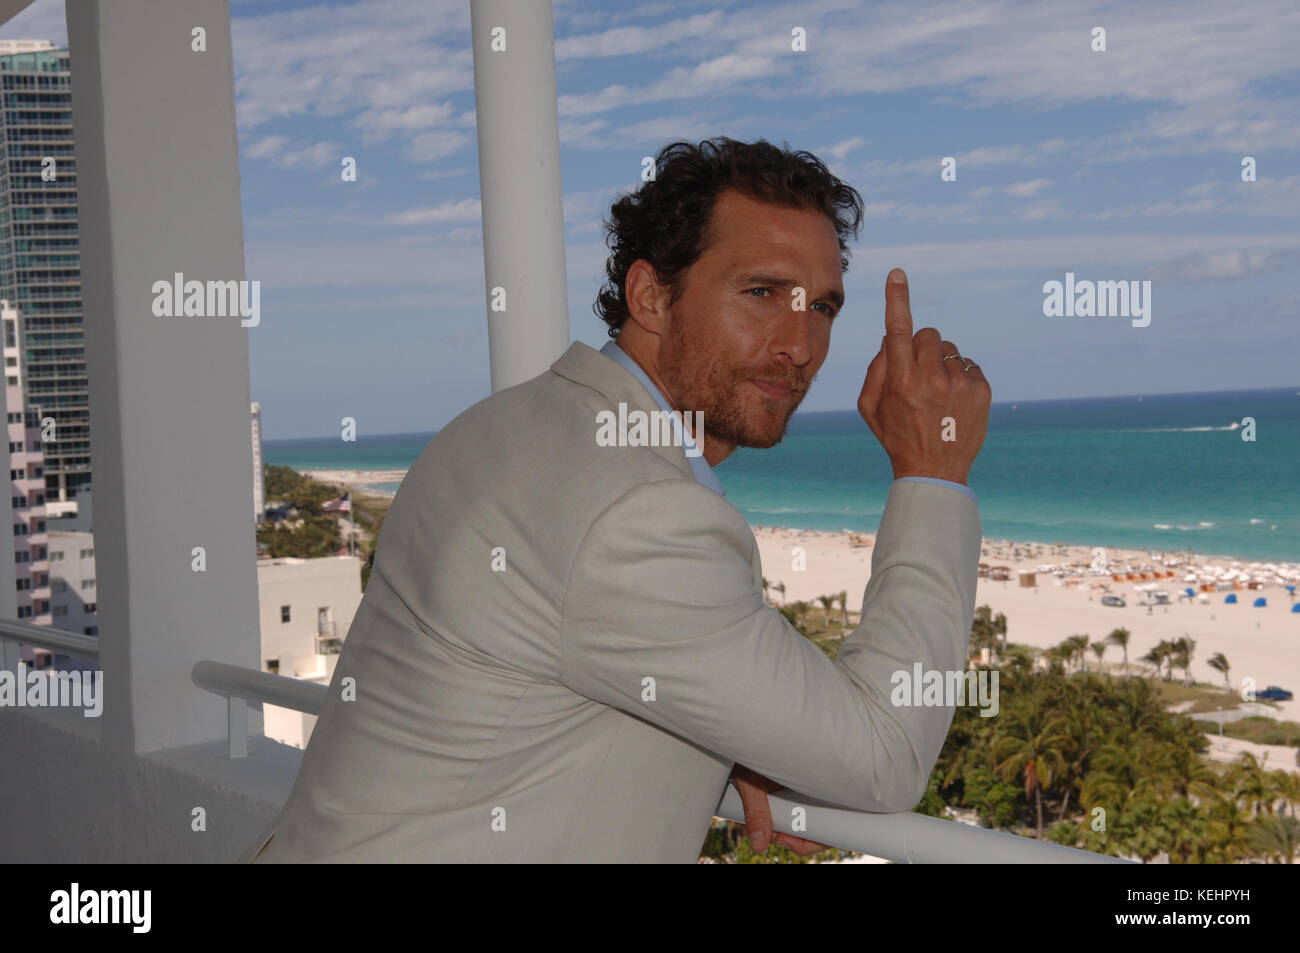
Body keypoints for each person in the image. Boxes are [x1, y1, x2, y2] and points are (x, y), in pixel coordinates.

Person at [241, 137, 990, 863]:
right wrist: (931, 473)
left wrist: (725, 740)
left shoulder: (501, 426)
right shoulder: (638, 510)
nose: (800, 344)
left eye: (822, 306)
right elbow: (885, 752)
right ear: (651, 295)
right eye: (762, 292)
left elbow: (535, 674)